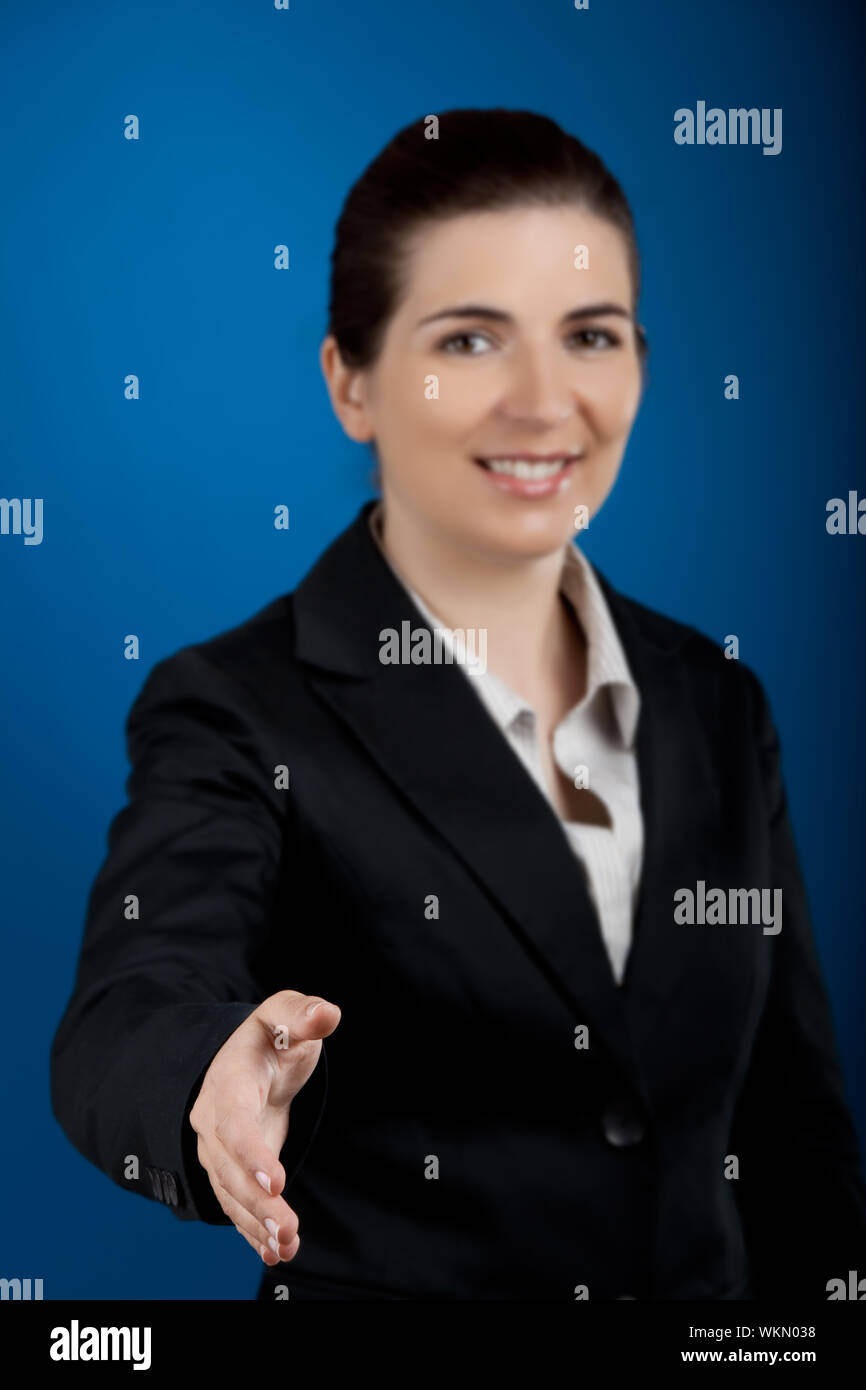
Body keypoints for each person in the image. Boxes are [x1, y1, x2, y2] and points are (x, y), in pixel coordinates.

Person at [50, 108, 866, 1301]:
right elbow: (129, 1002)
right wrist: (204, 1075)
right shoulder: (237, 707)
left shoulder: (715, 701)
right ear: (351, 381)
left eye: (589, 335)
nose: (544, 403)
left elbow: (794, 1136)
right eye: (470, 341)